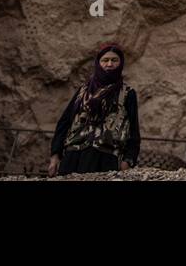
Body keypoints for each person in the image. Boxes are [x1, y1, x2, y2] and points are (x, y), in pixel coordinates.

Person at [48, 42, 141, 176]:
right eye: (105, 60)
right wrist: (55, 156)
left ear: (120, 64)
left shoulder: (127, 93)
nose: (109, 64)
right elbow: (64, 123)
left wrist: (128, 160)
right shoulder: (83, 91)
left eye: (114, 60)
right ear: (99, 63)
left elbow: (133, 132)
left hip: (106, 158)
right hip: (73, 156)